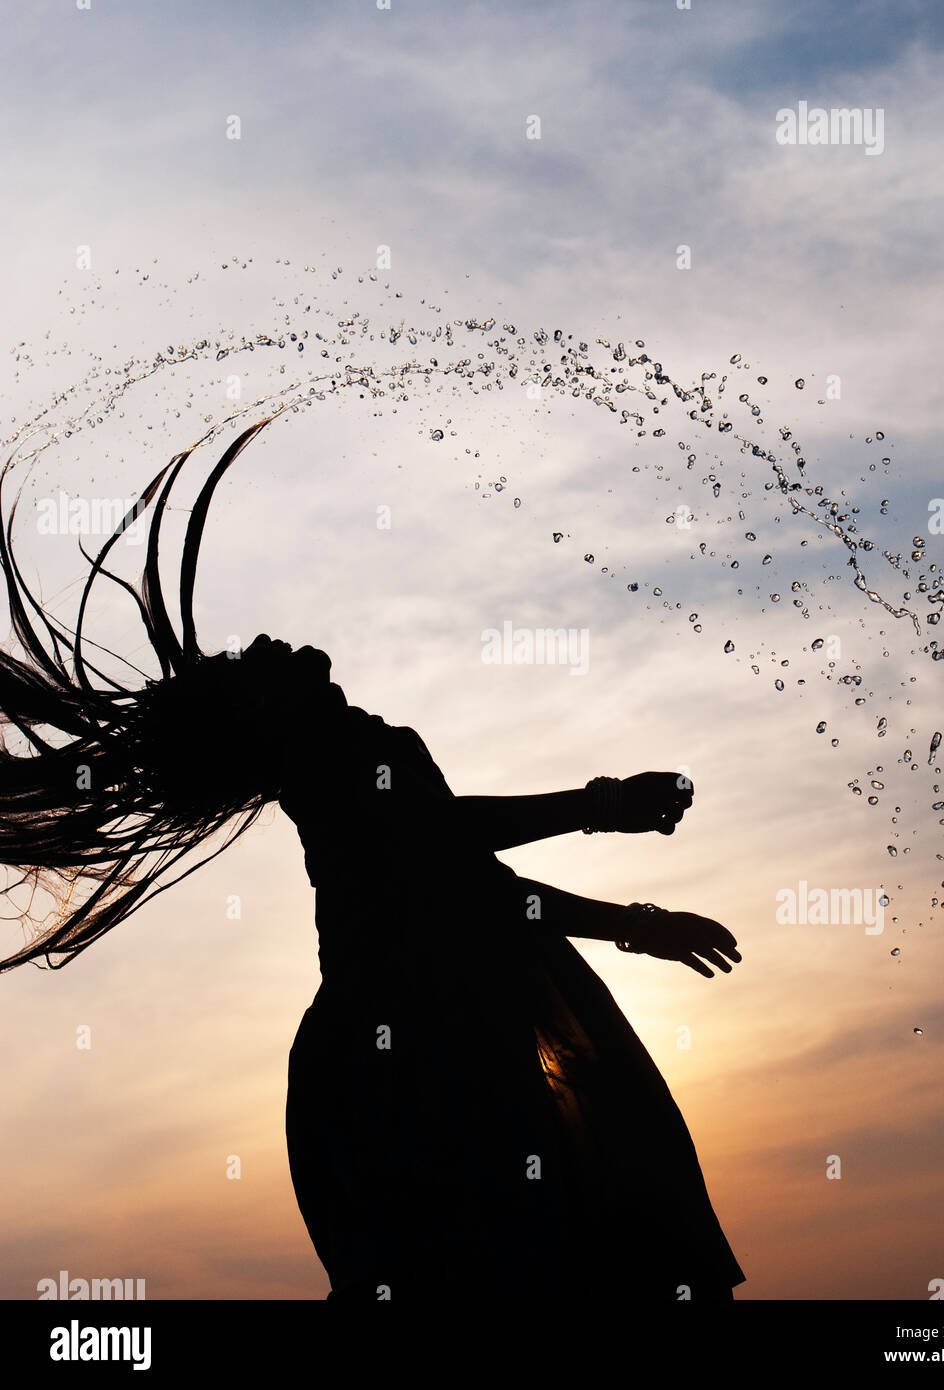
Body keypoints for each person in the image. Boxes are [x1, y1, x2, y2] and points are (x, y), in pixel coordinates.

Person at [0, 418, 745, 1304]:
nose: (270, 646)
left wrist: (624, 910)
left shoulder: (343, 755)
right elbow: (448, 853)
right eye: (247, 665)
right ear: (259, 718)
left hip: (435, 1019)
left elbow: (471, 885)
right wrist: (601, 813)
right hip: (423, 1038)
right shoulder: (327, 764)